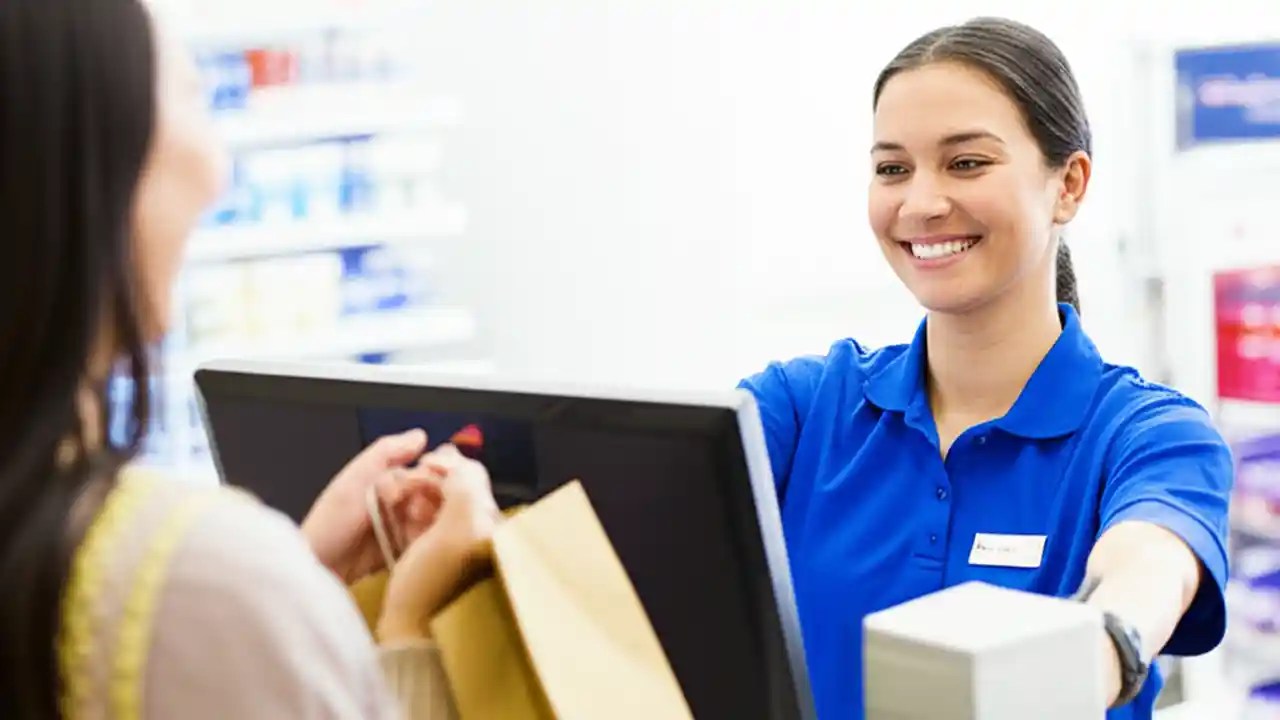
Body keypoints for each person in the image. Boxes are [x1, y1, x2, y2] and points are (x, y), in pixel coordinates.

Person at [0, 1, 495, 717]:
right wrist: (405, 633)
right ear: (84, 161)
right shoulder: (209, 584)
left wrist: (295, 588)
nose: (215, 171)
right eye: (188, 95)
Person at [739, 17, 1231, 720]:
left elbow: (1149, 566)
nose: (922, 203)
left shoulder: (1149, 436)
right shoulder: (801, 408)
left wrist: (1098, 648)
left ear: (1069, 185)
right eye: (892, 168)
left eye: (966, 162)